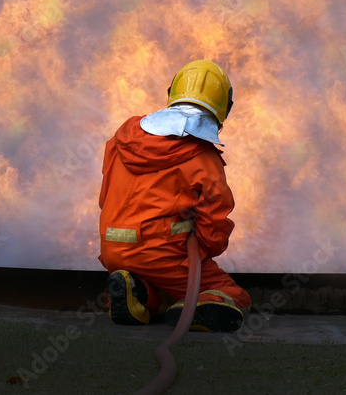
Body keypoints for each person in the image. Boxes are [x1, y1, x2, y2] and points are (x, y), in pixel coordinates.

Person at [97, 59, 251, 332]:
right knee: (233, 295)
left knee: (161, 287)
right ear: (224, 107)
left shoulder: (122, 138)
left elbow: (105, 197)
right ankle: (196, 308)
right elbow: (214, 228)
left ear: (172, 93)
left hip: (111, 249)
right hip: (161, 254)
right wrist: (205, 248)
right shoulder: (202, 156)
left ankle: (138, 292)